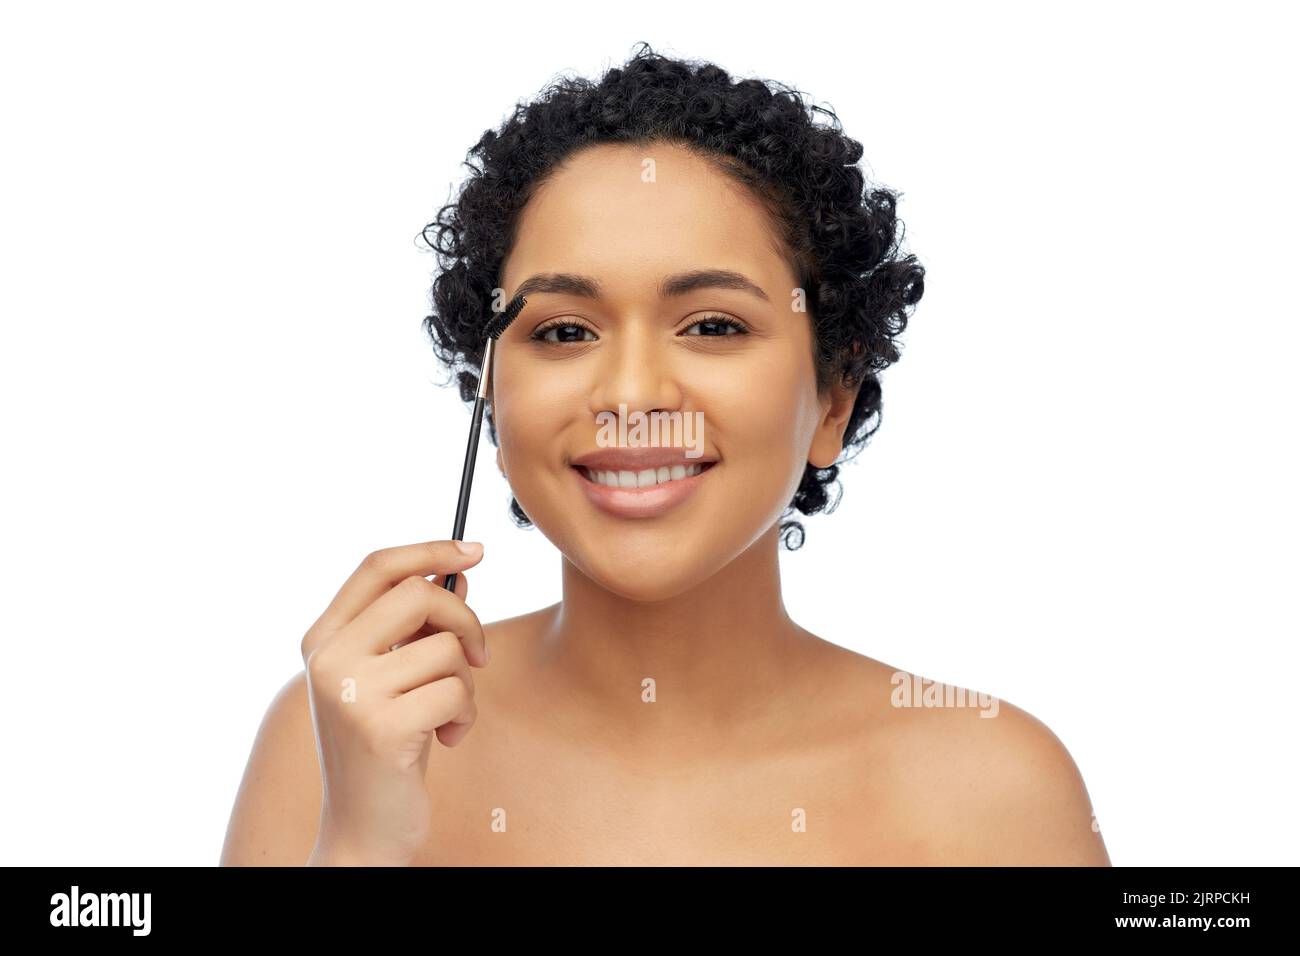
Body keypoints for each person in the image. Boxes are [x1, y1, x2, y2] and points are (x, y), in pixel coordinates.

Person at [220, 42, 1110, 866]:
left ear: (833, 397)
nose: (631, 397)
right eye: (564, 330)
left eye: (713, 325)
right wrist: (362, 843)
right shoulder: (336, 743)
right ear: (491, 396)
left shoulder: (996, 794)